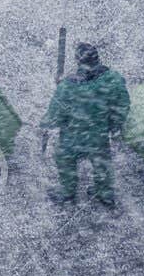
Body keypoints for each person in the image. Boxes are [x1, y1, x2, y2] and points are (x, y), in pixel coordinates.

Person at [40, 43, 130, 207]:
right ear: (98, 58)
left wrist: (45, 122)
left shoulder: (67, 86)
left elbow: (55, 115)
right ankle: (105, 194)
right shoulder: (114, 79)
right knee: (101, 162)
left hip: (72, 136)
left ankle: (67, 193)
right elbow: (123, 105)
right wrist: (114, 125)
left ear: (77, 61)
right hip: (98, 135)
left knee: (65, 160)